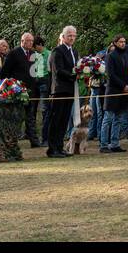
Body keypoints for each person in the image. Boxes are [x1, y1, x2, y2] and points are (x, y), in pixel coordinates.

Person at [46, 26, 79, 158]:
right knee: (56, 120)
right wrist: (74, 75)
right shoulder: (57, 51)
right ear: (63, 37)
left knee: (64, 120)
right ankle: (52, 149)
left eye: (73, 35)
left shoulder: (74, 52)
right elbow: (58, 70)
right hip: (59, 90)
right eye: (69, 35)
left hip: (70, 89)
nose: (71, 37)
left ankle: (59, 147)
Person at [3, 32, 41, 147]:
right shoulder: (14, 53)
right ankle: (12, 141)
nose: (30, 43)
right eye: (28, 41)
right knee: (16, 117)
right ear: (22, 41)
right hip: (17, 90)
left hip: (30, 90)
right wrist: (10, 86)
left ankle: (34, 140)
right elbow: (5, 71)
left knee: (30, 116)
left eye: (31, 41)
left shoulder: (33, 53)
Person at [101, 33, 128, 154]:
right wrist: (123, 85)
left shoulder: (127, 55)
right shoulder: (110, 56)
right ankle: (103, 144)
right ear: (115, 43)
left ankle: (115, 144)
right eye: (120, 42)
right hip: (113, 91)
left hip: (124, 91)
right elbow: (110, 74)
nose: (123, 44)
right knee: (108, 118)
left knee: (118, 118)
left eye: (124, 42)